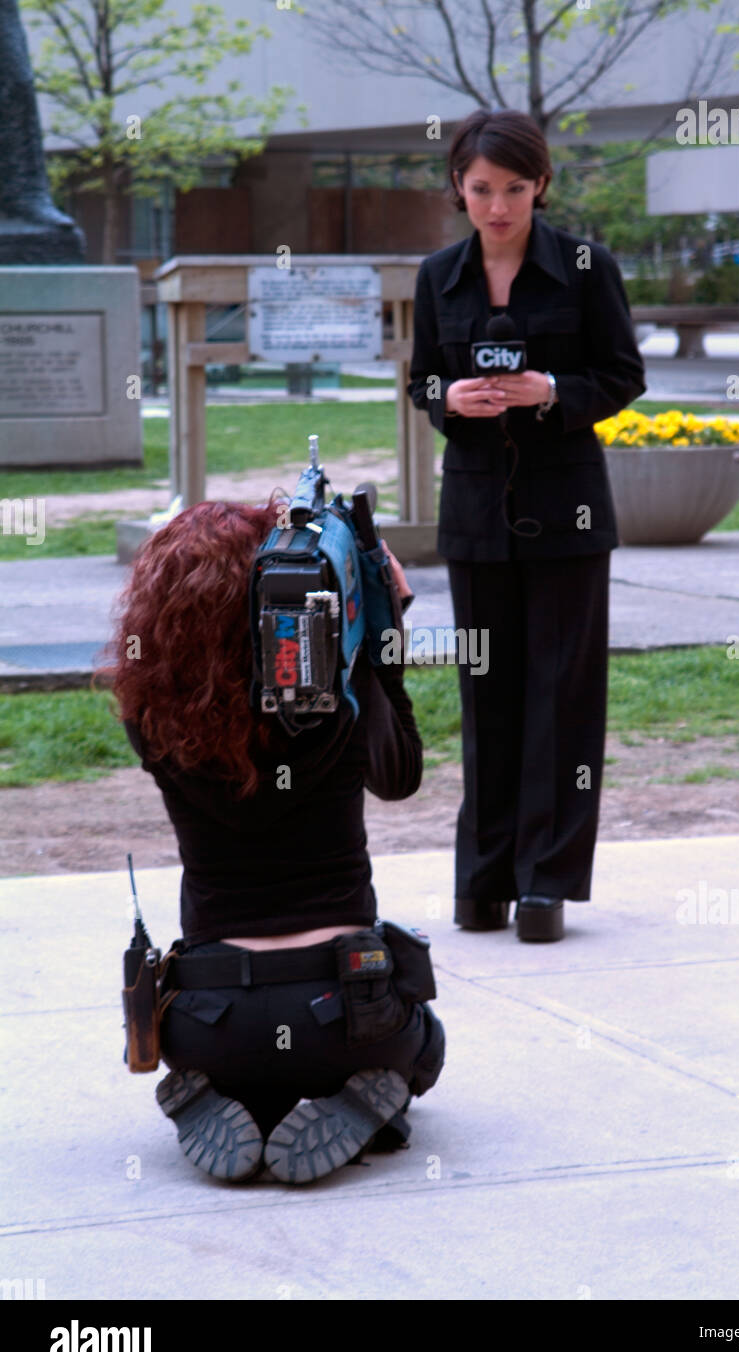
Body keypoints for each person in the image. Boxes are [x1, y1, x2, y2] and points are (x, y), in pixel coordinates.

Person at [100, 497, 445, 1183]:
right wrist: (383, 632)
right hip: (348, 1009)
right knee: (425, 1047)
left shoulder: (150, 714)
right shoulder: (339, 703)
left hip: (205, 1021)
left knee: (243, 1052)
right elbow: (398, 778)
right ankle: (366, 1092)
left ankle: (225, 1091)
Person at [407, 107, 647, 943]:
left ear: (540, 185)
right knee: (487, 698)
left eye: (514, 188)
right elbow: (422, 384)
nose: (498, 205)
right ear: (457, 188)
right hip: (477, 514)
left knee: (562, 701)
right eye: (481, 189)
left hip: (569, 514)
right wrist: (451, 400)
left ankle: (545, 884)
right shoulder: (436, 276)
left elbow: (622, 374)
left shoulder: (586, 267)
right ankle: (482, 882)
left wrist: (553, 393)